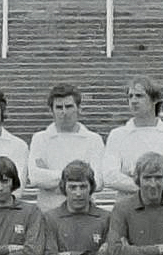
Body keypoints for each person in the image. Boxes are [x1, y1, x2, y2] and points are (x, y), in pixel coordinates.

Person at [101, 76, 163, 196]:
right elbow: (110, 175)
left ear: (154, 100)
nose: (134, 101)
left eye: (139, 96)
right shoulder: (117, 135)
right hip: (129, 206)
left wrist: (137, 176)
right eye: (130, 96)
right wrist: (148, 185)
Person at [26, 83, 105, 211]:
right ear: (51, 110)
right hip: (49, 211)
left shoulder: (93, 140)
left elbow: (98, 181)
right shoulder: (40, 139)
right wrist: (80, 177)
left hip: (84, 211)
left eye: (69, 106)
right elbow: (35, 177)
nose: (64, 112)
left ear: (78, 108)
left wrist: (53, 180)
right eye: (59, 107)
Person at [40, 160, 110, 255]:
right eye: (72, 187)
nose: (78, 193)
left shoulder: (106, 218)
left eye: (83, 187)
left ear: (91, 188)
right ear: (64, 188)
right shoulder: (50, 218)